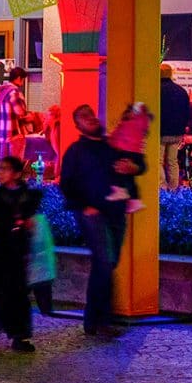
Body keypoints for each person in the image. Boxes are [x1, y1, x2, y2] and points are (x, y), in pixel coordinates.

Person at [60, 105, 127, 339]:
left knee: (107, 263)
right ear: (77, 125)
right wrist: (84, 205)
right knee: (104, 262)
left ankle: (92, 319)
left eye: (90, 114)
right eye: (83, 117)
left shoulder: (109, 147)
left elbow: (125, 171)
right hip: (92, 214)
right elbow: (66, 183)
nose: (89, 119)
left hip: (114, 212)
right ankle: (102, 321)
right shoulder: (76, 151)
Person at [0, 155, 40, 352]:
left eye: (5, 169)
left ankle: (19, 336)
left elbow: (32, 221)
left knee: (19, 292)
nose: (0, 173)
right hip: (0, 246)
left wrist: (26, 226)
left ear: (16, 173)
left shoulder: (28, 195)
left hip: (19, 247)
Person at [158, 63, 190, 190]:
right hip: (177, 132)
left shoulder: (156, 90)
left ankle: (162, 188)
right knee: (173, 161)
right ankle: (173, 188)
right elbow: (187, 112)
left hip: (160, 132)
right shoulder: (181, 91)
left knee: (158, 162)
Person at [0, 67, 29, 165]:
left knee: (4, 165)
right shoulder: (14, 92)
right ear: (19, 78)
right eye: (23, 79)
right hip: (14, 134)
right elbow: (21, 112)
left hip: (0, 135)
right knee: (14, 165)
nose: (23, 83)